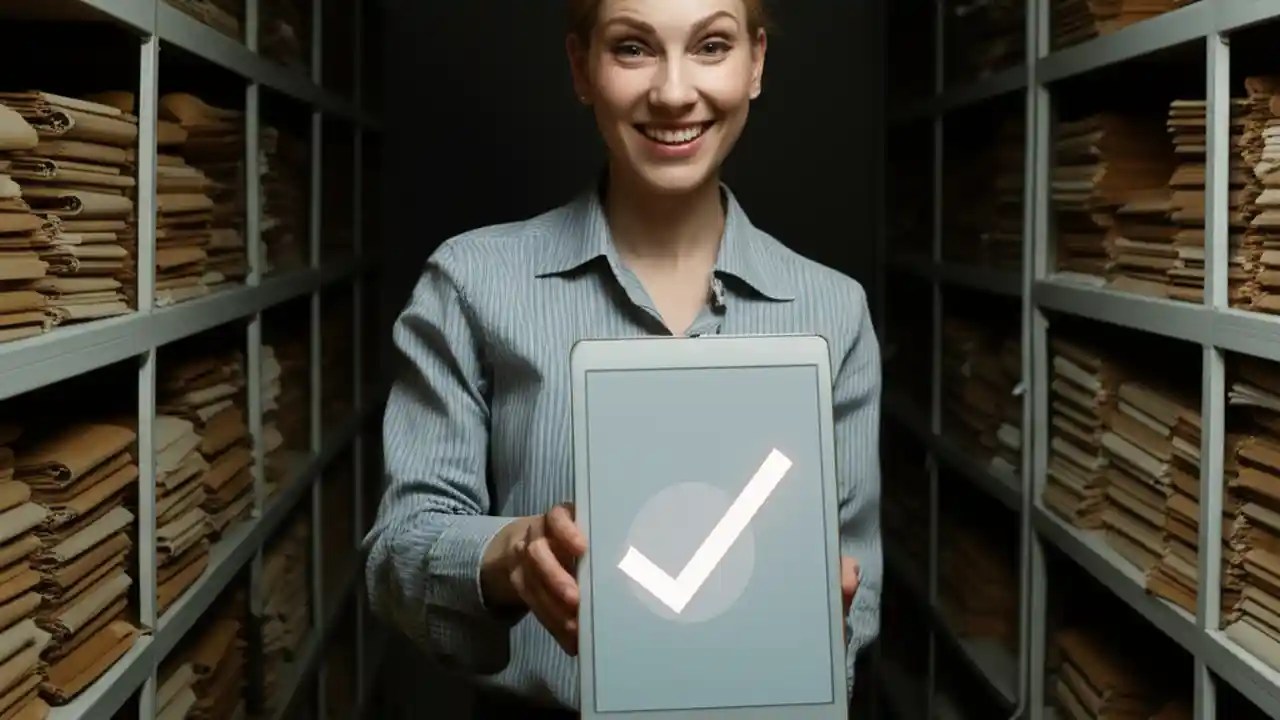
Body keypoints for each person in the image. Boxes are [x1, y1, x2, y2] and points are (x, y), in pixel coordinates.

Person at [363, 0, 882, 716]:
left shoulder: (835, 313)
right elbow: (397, 555)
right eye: (633, 48)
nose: (673, 92)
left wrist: (817, 628)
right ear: (581, 67)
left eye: (711, 46)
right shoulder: (472, 283)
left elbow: (856, 591)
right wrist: (512, 556)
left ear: (756, 63)